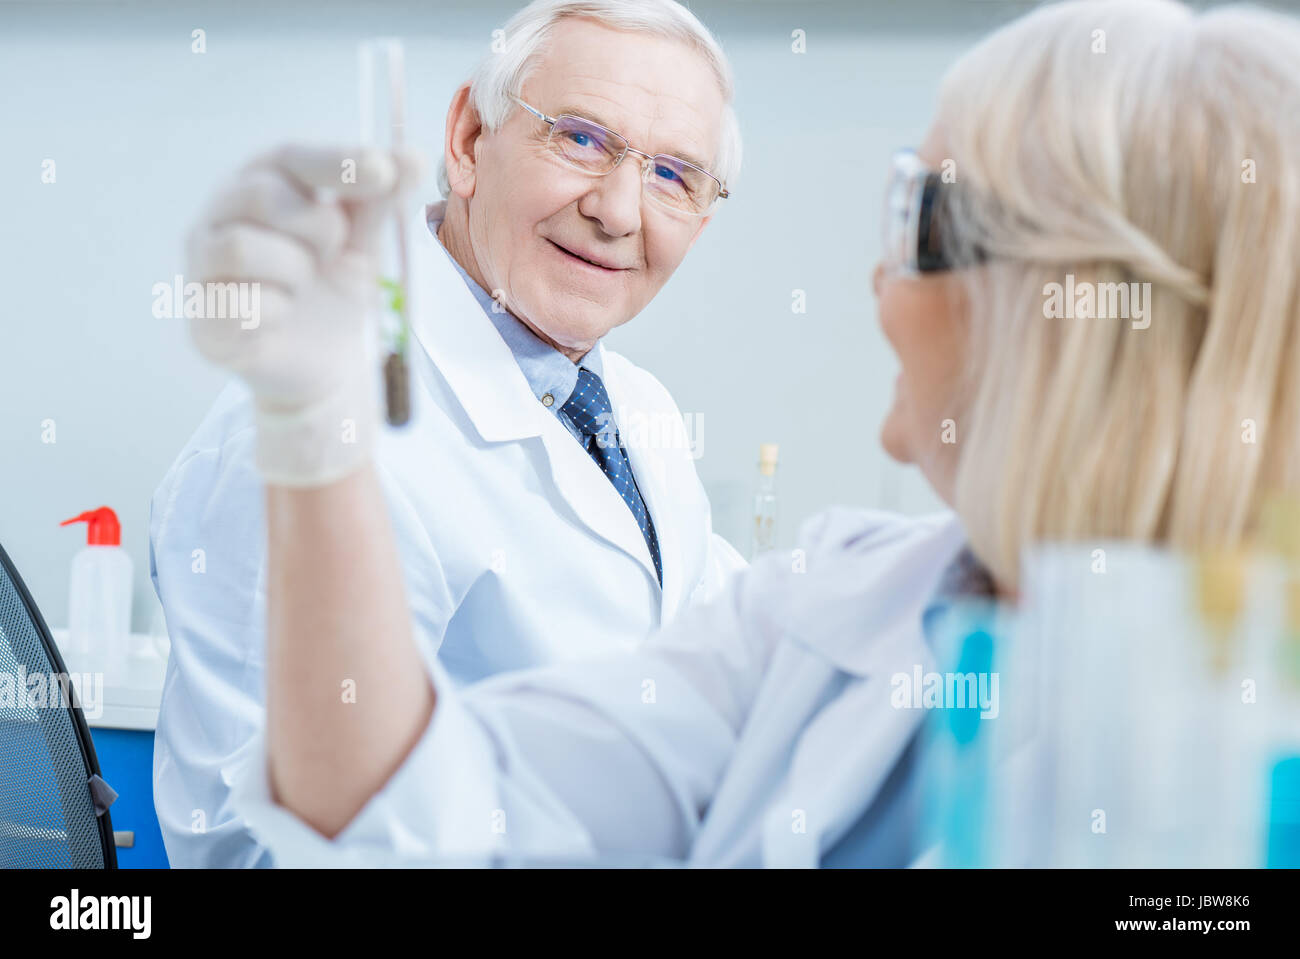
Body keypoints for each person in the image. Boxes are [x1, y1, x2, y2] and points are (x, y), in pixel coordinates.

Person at [228, 0, 1299, 866]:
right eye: (582, 139)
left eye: (912, 215)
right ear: (467, 139)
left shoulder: (1254, 732)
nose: (879, 281)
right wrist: (312, 427)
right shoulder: (832, 606)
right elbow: (394, 812)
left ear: (1068, 316)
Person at [150, 0, 747, 868]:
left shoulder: (636, 411)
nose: (619, 211)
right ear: (468, 140)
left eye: (672, 174)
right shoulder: (303, 426)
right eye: (581, 138)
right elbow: (249, 848)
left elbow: (731, 663)